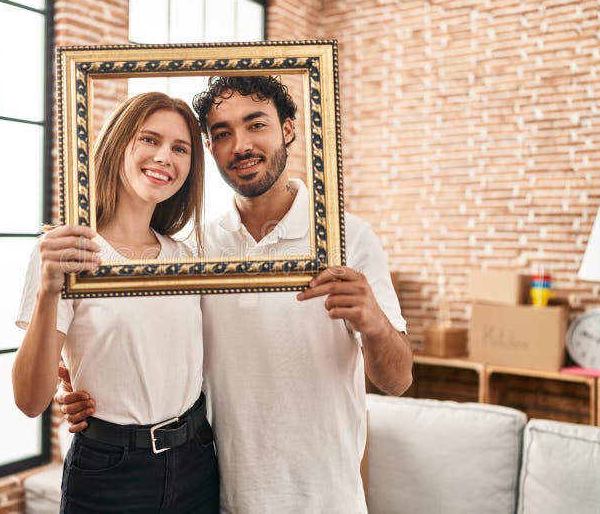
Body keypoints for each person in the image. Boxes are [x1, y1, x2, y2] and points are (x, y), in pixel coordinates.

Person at [58, 76, 413, 513]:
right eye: (222, 133)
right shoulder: (194, 251)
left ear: (288, 128)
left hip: (326, 501)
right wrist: (82, 387)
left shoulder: (347, 238)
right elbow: (159, 352)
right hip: (217, 496)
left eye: (255, 124)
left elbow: (397, 381)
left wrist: (374, 323)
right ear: (209, 147)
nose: (240, 144)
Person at [13, 92, 219, 513]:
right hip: (110, 471)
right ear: (120, 143)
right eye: (149, 139)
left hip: (196, 458)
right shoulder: (68, 250)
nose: (165, 156)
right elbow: (30, 401)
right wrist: (50, 289)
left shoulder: (187, 258)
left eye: (180, 148)